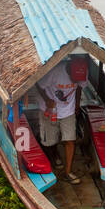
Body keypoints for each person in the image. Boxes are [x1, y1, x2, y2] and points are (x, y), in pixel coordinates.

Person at [37, 56, 86, 184]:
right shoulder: (54, 72)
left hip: (68, 111)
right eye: (73, 79)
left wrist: (77, 104)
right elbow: (39, 85)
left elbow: (80, 87)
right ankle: (55, 155)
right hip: (49, 109)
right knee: (50, 141)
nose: (74, 81)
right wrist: (47, 99)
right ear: (69, 69)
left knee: (70, 140)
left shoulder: (81, 71)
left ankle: (68, 172)